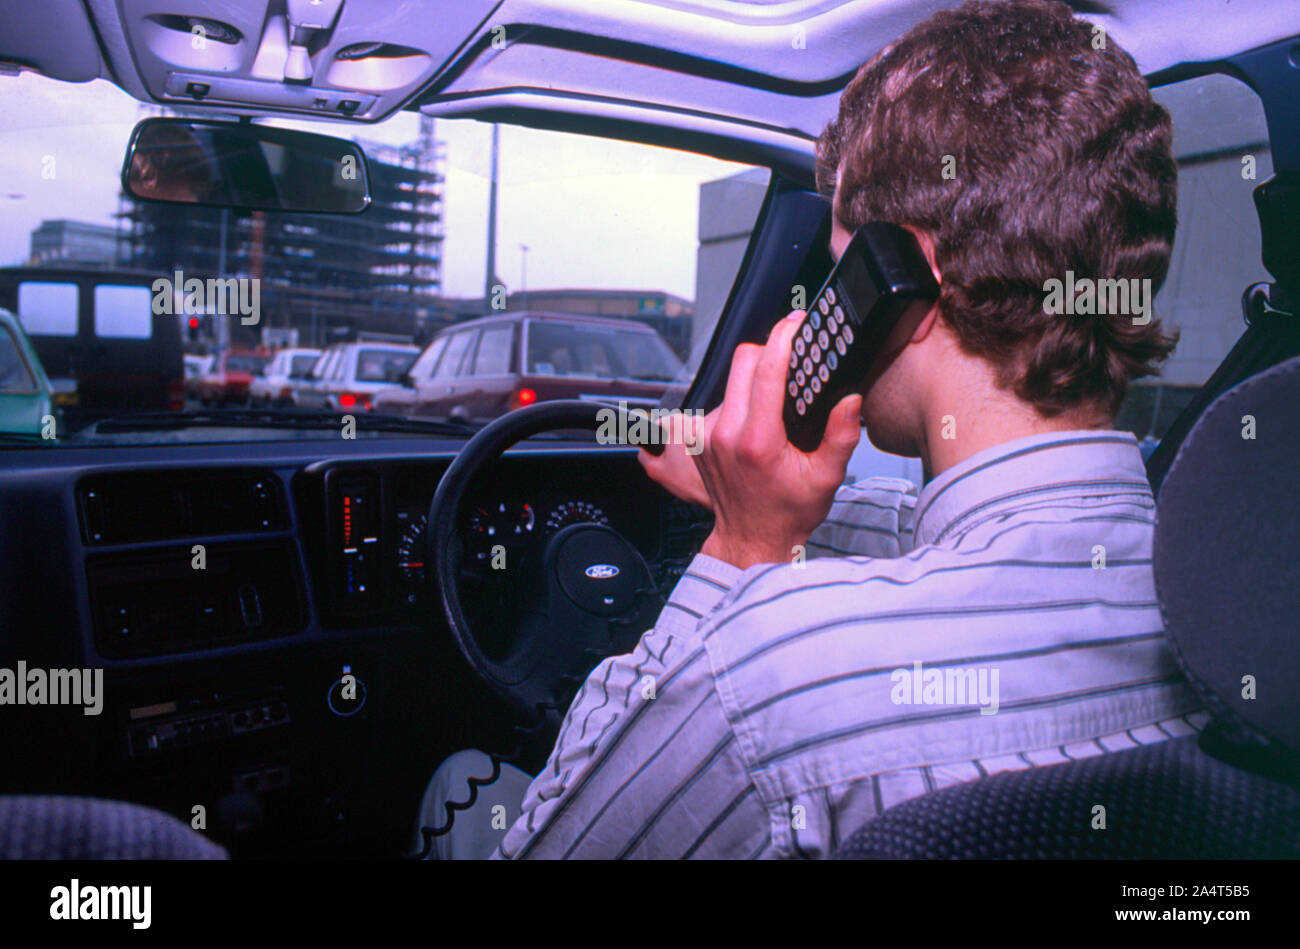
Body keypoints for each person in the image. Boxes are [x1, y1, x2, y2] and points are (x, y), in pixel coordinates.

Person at [416, 0, 1203, 859]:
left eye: (838, 274)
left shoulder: (781, 670)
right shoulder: (1220, 586)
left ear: (901, 275)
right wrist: (750, 489)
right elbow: (973, 539)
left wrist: (740, 550)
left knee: (461, 780)